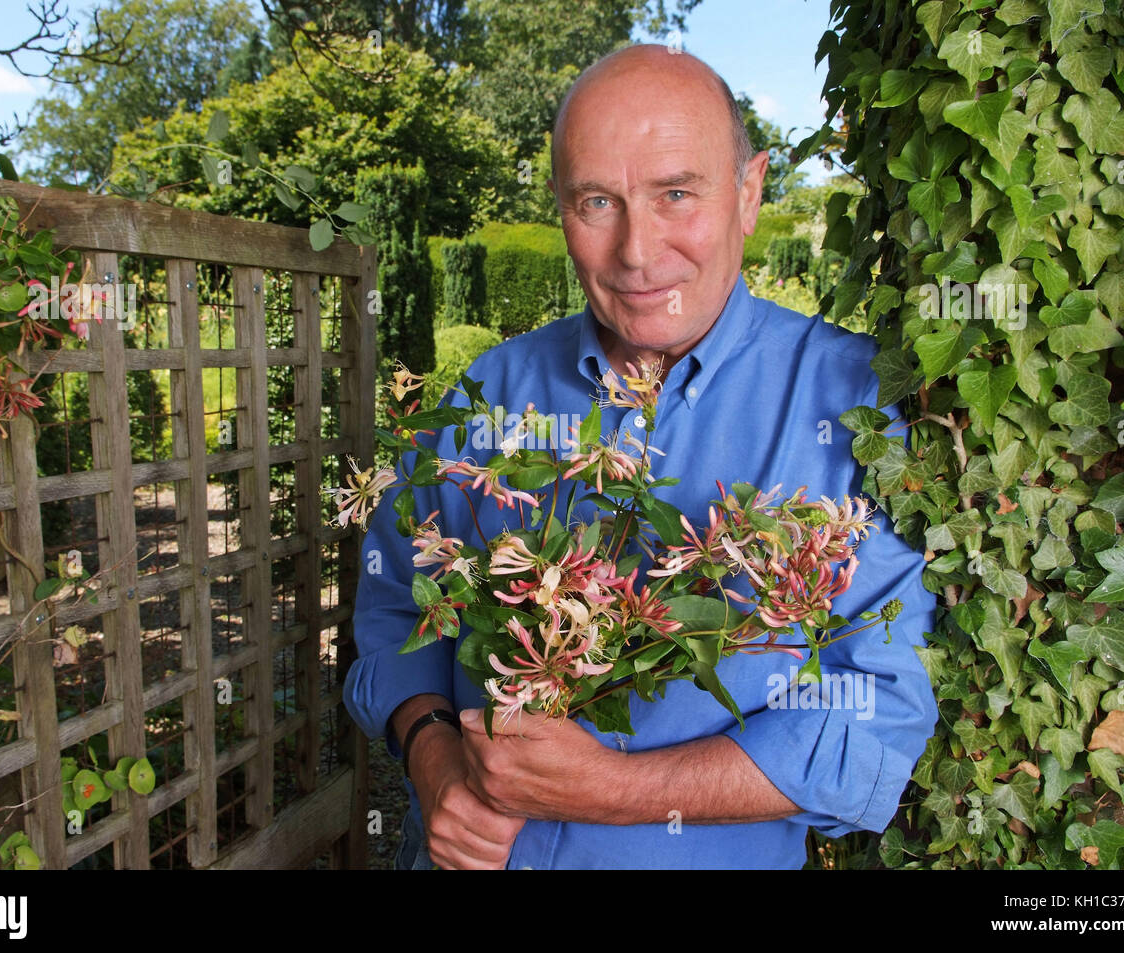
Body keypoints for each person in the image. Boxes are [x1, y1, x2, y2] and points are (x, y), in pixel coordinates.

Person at [344, 43, 938, 869]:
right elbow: (392, 611)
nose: (636, 250)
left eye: (676, 194)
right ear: (562, 208)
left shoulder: (852, 406)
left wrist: (613, 789)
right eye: (598, 201)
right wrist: (435, 759)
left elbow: (873, 709)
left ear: (750, 190)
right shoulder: (493, 386)